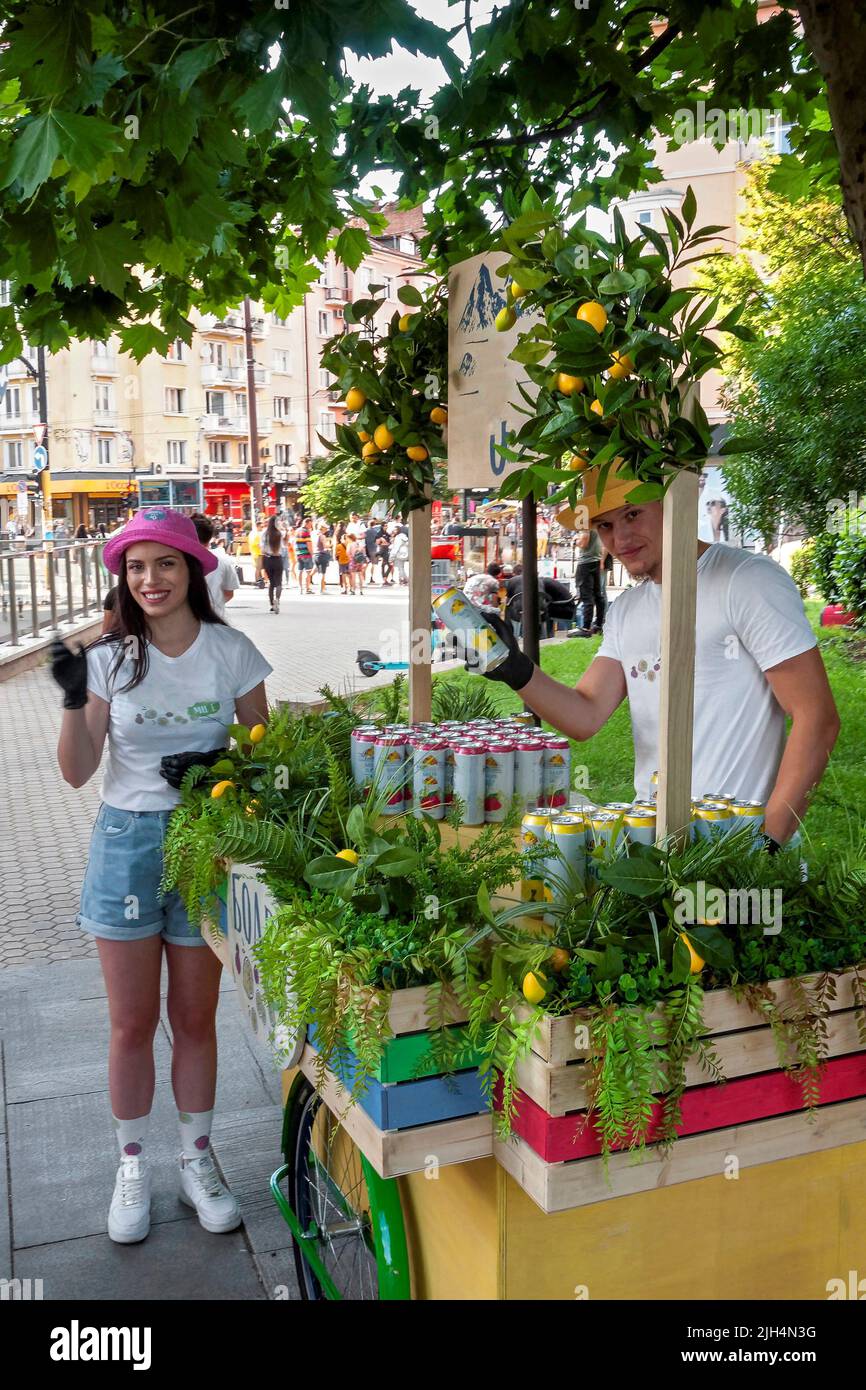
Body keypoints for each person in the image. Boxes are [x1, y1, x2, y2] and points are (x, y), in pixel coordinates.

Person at [49, 507, 272, 1244]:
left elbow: (265, 760)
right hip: (128, 843)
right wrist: (73, 697)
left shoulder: (233, 652)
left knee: (195, 1020)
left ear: (193, 570)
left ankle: (197, 1160)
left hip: (206, 842)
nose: (150, 579)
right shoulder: (111, 660)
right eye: (136, 567)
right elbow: (80, 774)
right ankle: (133, 1166)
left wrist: (223, 774)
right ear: (124, 577)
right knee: (132, 1023)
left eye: (165, 564)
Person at [466, 460, 840, 843]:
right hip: (654, 844)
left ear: (674, 501)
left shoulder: (746, 579)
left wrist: (770, 840)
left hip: (738, 843)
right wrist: (515, 668)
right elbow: (586, 714)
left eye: (633, 513)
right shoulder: (628, 608)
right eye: (606, 525)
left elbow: (817, 717)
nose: (620, 538)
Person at [191, 515, 238, 619]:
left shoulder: (178, 563)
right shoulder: (224, 561)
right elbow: (229, 593)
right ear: (210, 536)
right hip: (215, 619)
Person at [573, 523, 605, 635]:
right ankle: (599, 624)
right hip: (595, 560)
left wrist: (576, 541)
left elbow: (584, 542)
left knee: (586, 595)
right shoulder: (595, 524)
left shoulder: (585, 522)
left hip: (585, 562)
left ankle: (586, 627)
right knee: (597, 595)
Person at [262, 517, 284, 613]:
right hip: (278, 559)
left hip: (268, 559)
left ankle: (271, 604)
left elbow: (262, 548)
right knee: (278, 582)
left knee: (271, 582)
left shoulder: (265, 534)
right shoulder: (280, 534)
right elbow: (283, 547)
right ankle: (277, 600)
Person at [293, 515, 313, 594]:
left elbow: (294, 542)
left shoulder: (297, 531)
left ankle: (300, 588)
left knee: (300, 571)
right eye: (310, 524)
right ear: (307, 523)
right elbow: (309, 544)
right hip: (306, 554)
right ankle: (307, 588)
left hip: (298, 553)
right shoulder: (306, 532)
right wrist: (312, 554)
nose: (311, 526)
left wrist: (296, 552)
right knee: (308, 572)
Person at [314, 522, 331, 594]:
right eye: (326, 528)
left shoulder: (314, 534)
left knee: (319, 572)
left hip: (315, 554)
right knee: (322, 573)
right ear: (323, 528)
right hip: (322, 555)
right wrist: (331, 544)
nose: (327, 530)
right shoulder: (322, 536)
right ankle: (321, 590)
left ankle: (321, 589)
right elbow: (325, 546)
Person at [364, 518, 382, 586]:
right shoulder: (375, 532)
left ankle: (364, 578)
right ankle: (371, 578)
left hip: (366, 548)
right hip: (373, 549)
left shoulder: (365, 531)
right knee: (373, 564)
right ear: (374, 525)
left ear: (368, 524)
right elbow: (378, 541)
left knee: (365, 564)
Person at [247, 521, 264, 589]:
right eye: (261, 527)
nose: (262, 528)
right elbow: (256, 544)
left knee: (259, 568)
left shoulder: (254, 533)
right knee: (258, 568)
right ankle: (257, 582)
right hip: (257, 553)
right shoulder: (255, 534)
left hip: (257, 553)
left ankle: (260, 581)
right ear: (257, 526)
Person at [334, 525, 350, 594]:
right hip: (349, 561)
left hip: (342, 562)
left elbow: (336, 555)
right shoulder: (349, 544)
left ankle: (345, 589)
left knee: (343, 575)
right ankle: (351, 588)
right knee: (349, 575)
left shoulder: (338, 546)